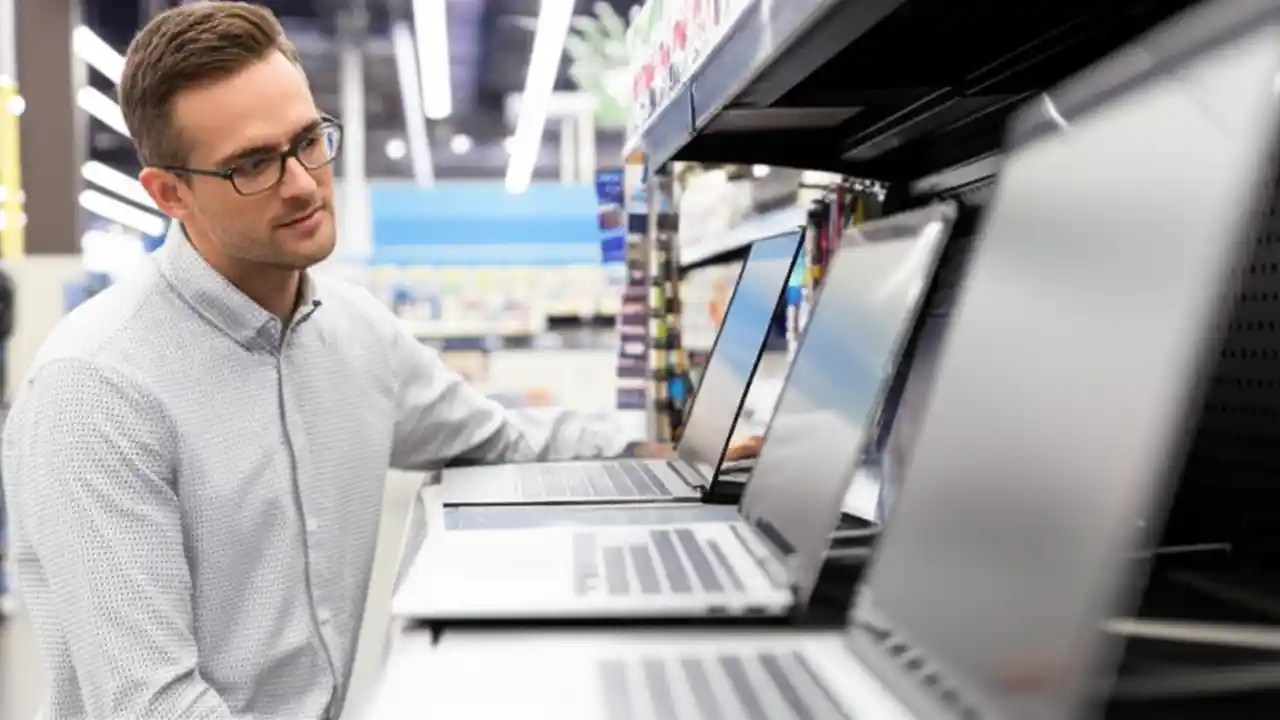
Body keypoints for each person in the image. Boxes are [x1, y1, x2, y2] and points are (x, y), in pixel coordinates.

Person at [0, 3, 760, 718]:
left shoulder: (353, 332)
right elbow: (153, 708)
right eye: (252, 165)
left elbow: (502, 443)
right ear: (170, 193)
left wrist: (679, 457)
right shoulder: (96, 392)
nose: (302, 184)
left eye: (306, 140)